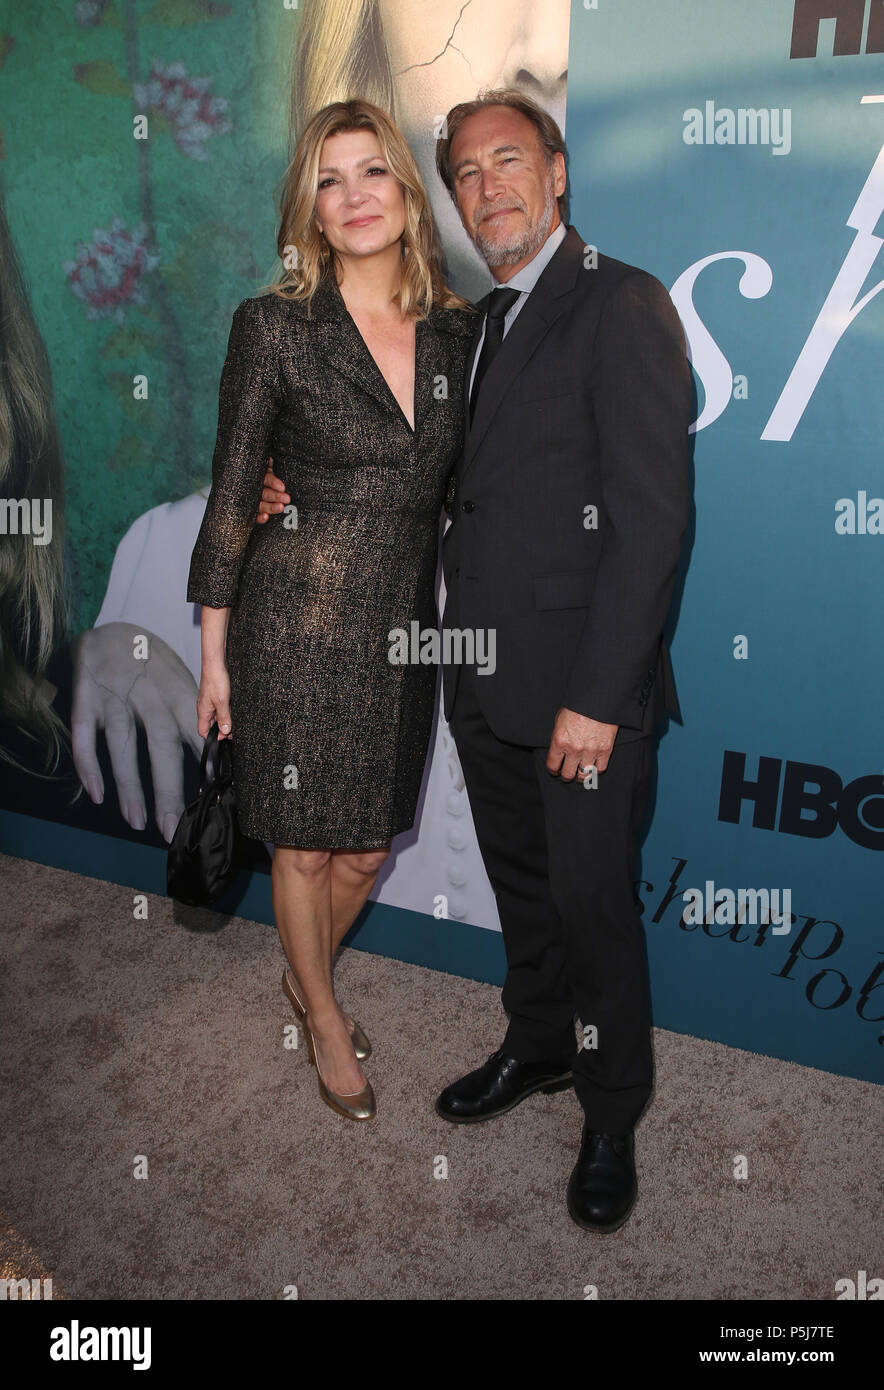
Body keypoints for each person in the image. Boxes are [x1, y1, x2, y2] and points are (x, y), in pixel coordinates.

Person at [260, 88, 691, 1228]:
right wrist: (284, 486)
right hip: (482, 679)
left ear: (555, 172)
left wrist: (598, 700)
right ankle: (539, 1043)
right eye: (464, 172)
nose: (487, 185)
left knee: (595, 908)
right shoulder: (475, 322)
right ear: (445, 197)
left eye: (508, 160)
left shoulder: (621, 302)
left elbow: (651, 525)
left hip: (583, 695)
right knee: (528, 895)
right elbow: (421, 475)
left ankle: (608, 1110)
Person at [186, 98, 475, 1123]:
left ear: (404, 190)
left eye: (372, 172)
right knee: (301, 847)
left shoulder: (456, 330)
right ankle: (317, 1008)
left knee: (363, 848)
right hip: (290, 623)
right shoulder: (272, 326)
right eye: (328, 178)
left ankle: (301, 972)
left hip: (400, 630)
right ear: (307, 206)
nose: (353, 197)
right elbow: (232, 495)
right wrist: (213, 657)